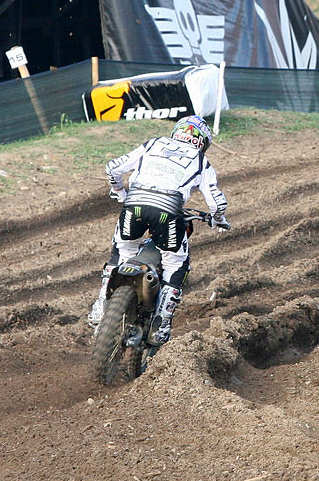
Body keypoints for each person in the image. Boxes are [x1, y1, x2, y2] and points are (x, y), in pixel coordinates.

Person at [87, 115, 230, 344]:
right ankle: (161, 323)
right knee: (176, 264)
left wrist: (121, 193)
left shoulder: (153, 143)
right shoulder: (201, 160)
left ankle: (101, 306)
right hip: (168, 212)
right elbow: (217, 203)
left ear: (177, 132)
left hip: (134, 206)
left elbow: (113, 167)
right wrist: (218, 219)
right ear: (202, 141)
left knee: (121, 253)